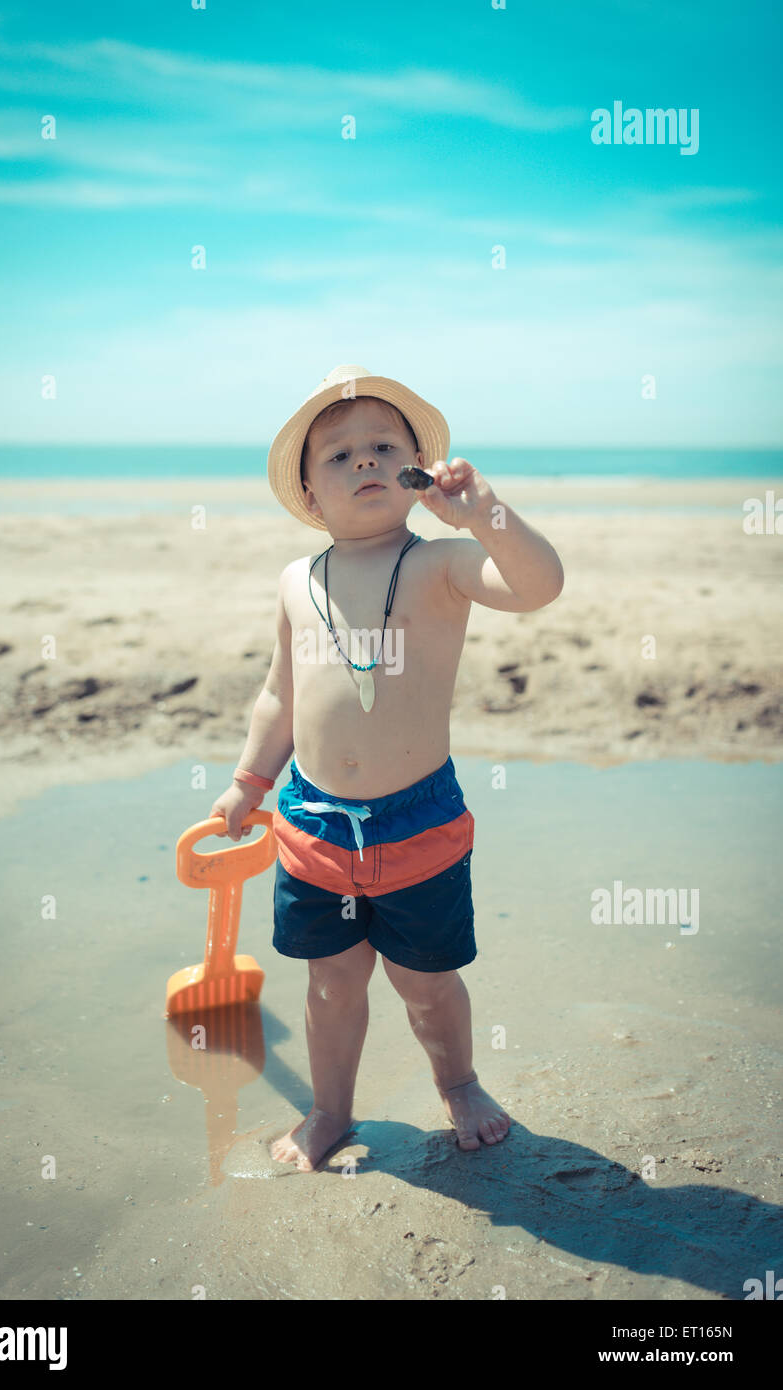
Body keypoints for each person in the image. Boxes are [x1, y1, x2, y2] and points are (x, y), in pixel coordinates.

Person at [208, 364, 564, 1171]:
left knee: (427, 984)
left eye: (380, 448)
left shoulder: (441, 565)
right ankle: (331, 1109)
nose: (362, 462)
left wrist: (485, 516)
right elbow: (278, 695)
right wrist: (246, 784)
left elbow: (537, 586)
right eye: (337, 456)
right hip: (313, 825)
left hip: (418, 824)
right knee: (330, 986)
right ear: (306, 496)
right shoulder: (296, 582)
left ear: (414, 473)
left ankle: (459, 1082)